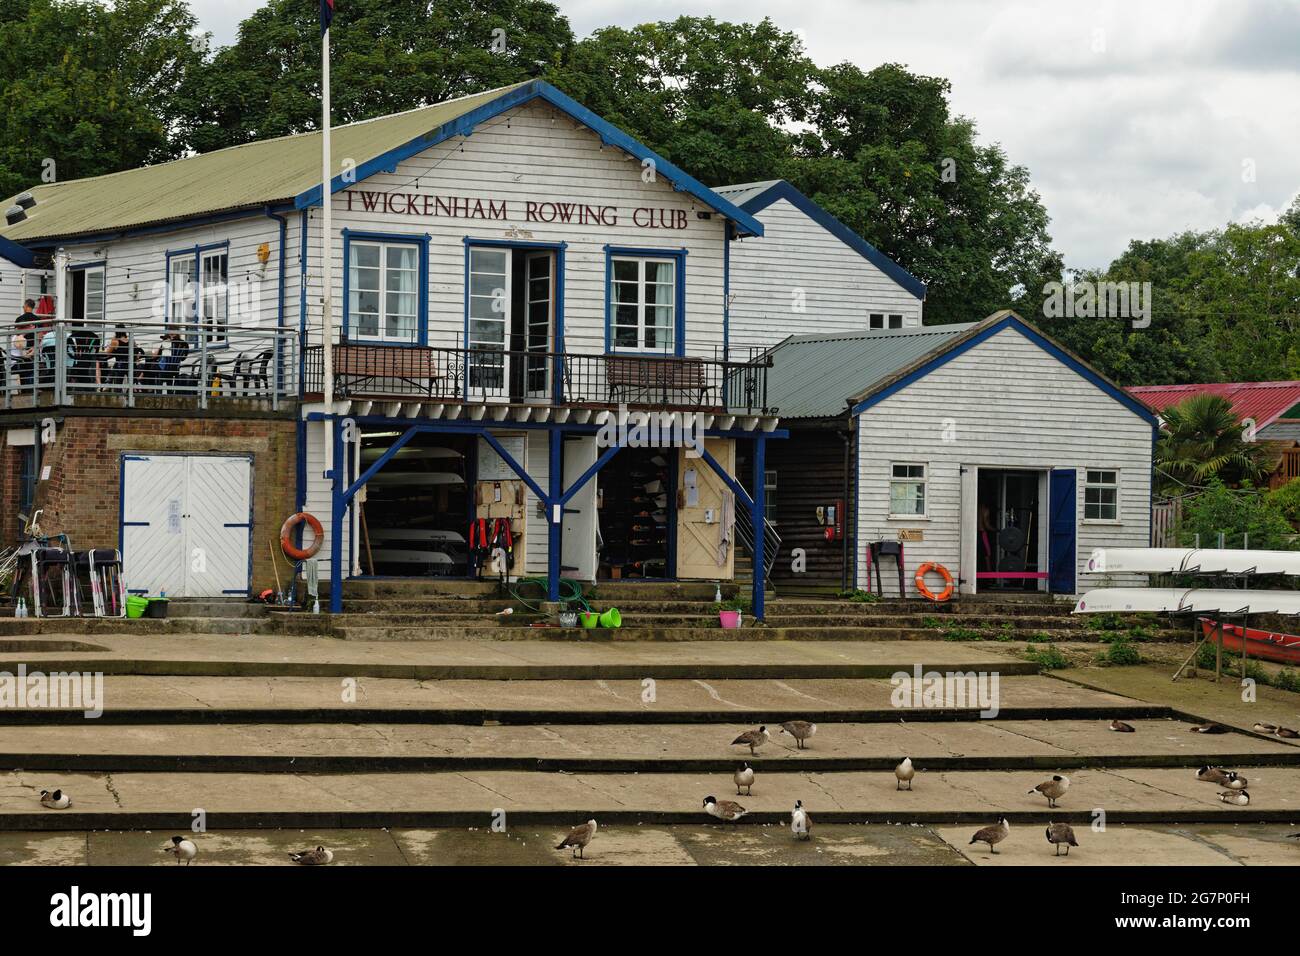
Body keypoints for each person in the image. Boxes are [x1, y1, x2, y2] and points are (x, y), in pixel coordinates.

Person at [10, 300, 38, 385]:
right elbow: (40, 336)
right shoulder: (37, 319)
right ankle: (30, 390)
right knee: (31, 367)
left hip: (22, 358)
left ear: (26, 306)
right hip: (21, 358)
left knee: (29, 366)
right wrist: (34, 349)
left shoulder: (19, 320)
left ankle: (28, 389)